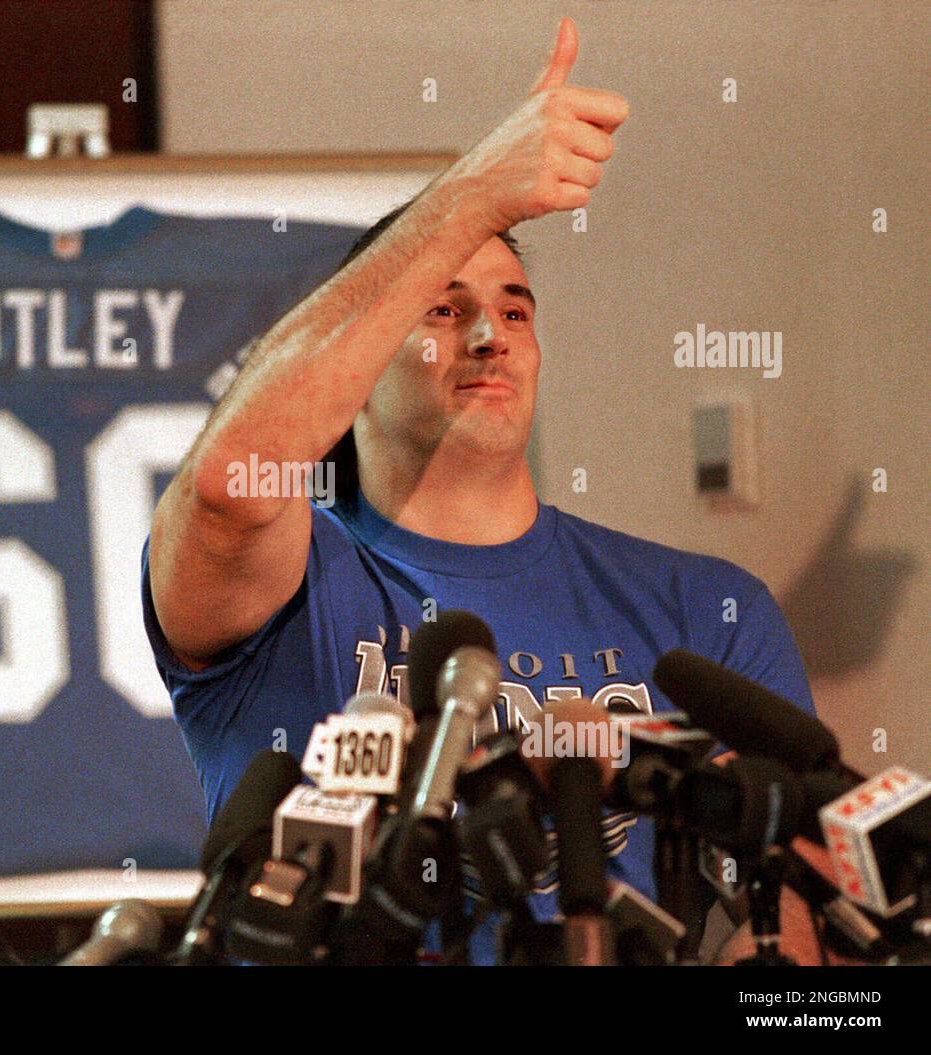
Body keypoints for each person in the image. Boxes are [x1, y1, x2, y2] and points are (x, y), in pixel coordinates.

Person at [141, 17, 818, 961]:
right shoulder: (293, 590)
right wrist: (473, 195)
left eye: (513, 308)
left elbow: (795, 937)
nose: (490, 335)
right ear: (358, 368)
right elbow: (224, 492)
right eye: (443, 309)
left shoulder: (707, 608)